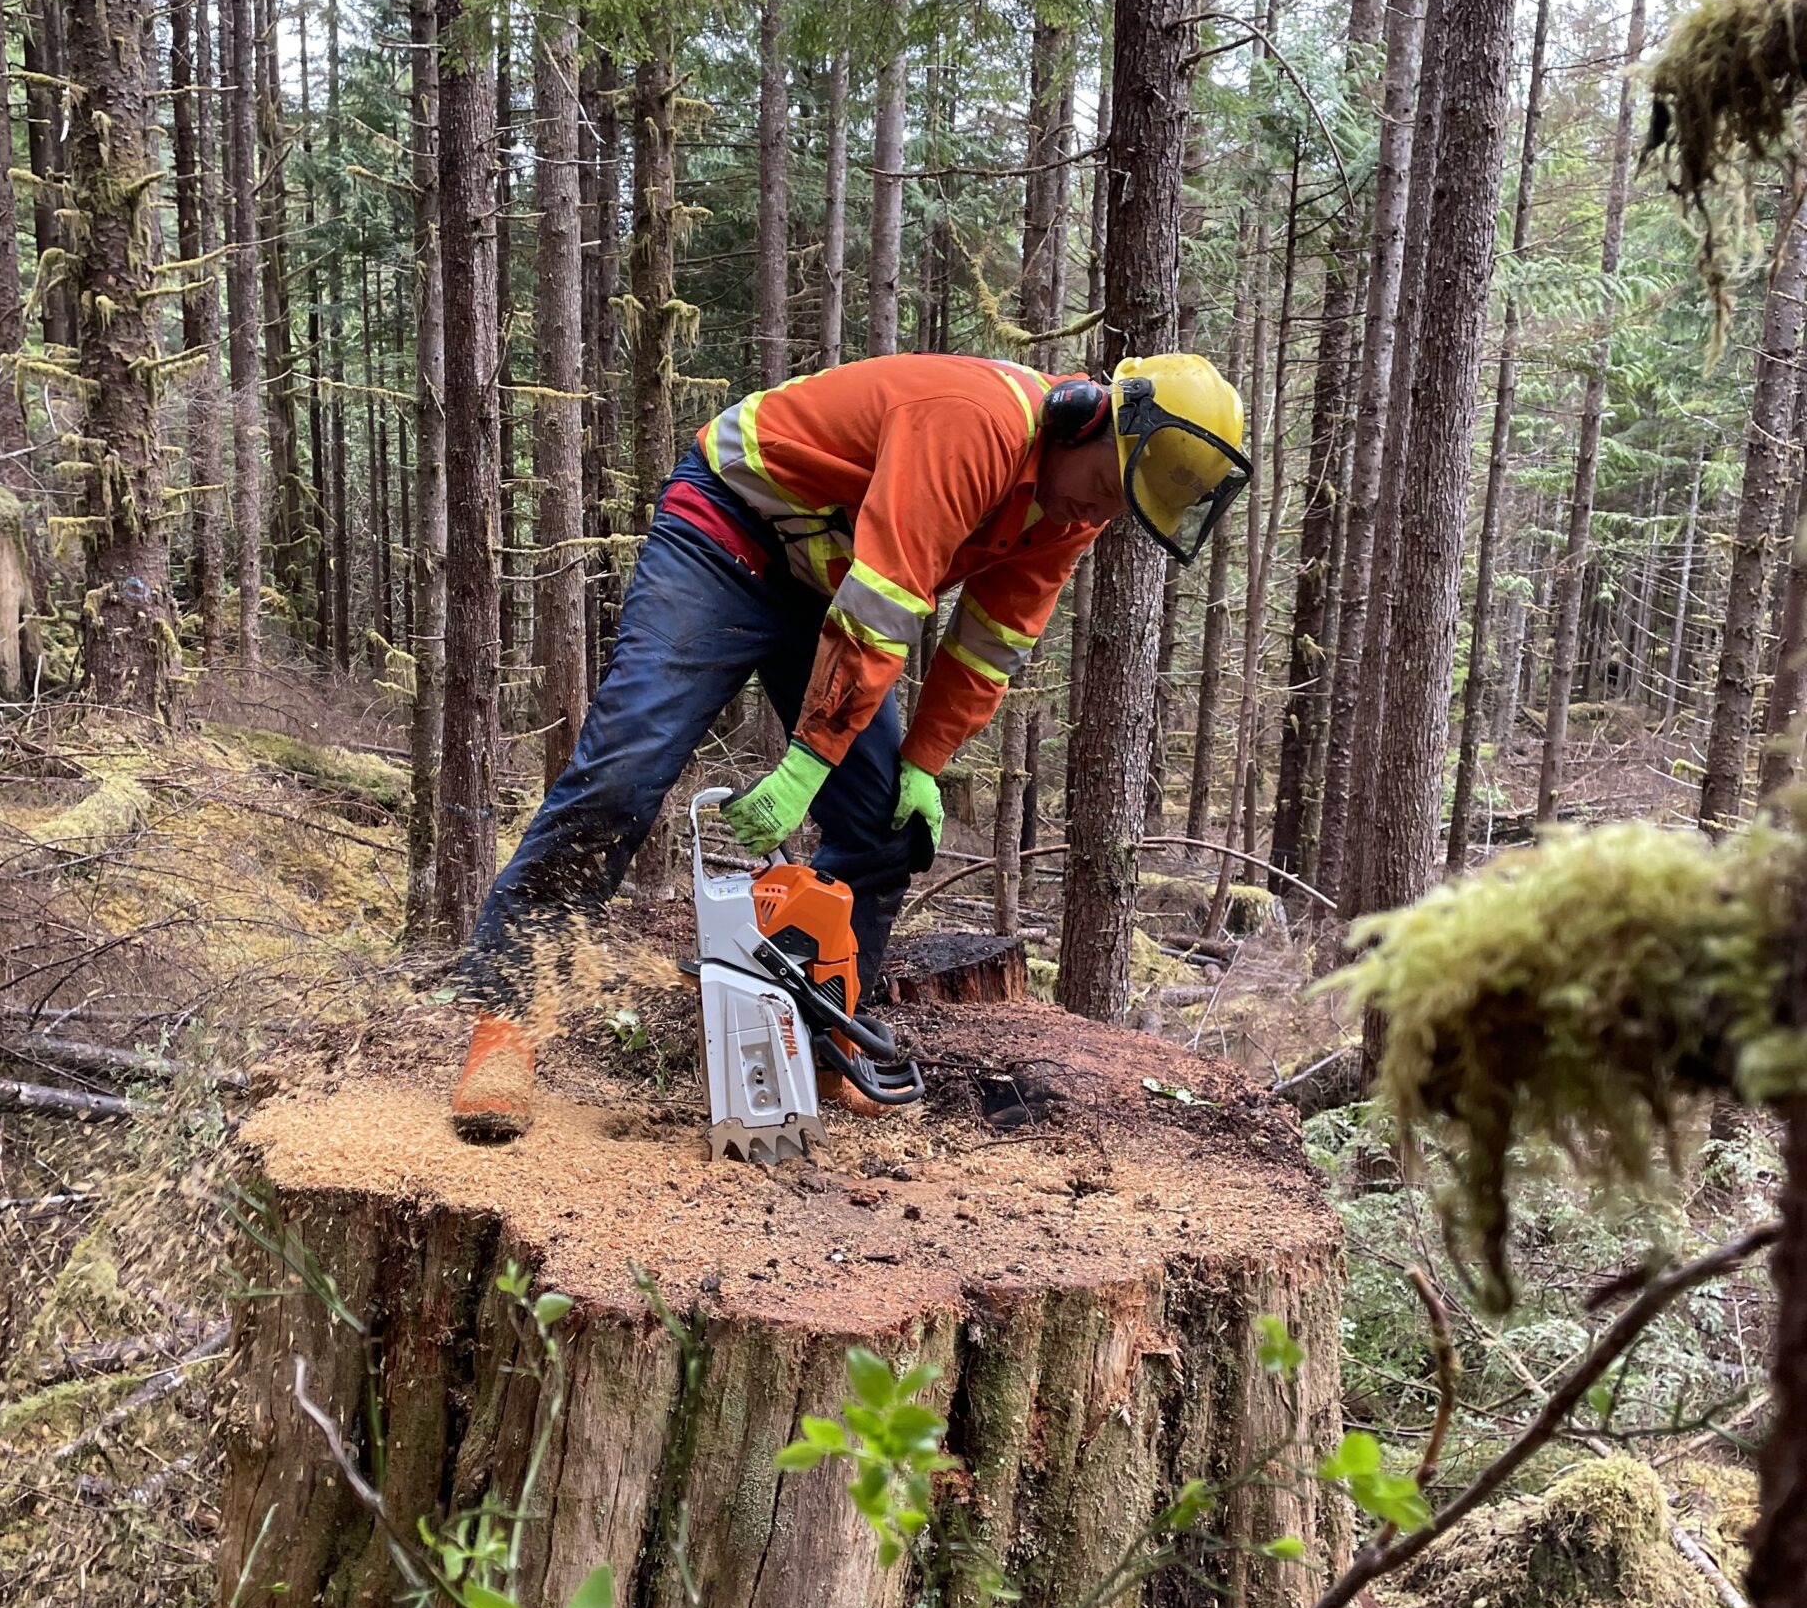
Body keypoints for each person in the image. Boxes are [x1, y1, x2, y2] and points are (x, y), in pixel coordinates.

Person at [449, 348, 1246, 1137]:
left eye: (1116, 509)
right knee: (623, 773)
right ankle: (504, 1024)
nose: (1093, 517)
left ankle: (823, 1035)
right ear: (1090, 420)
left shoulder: (1068, 517)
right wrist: (806, 763)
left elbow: (989, 642)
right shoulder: (975, 422)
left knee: (884, 823)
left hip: (826, 583)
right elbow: (885, 601)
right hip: (730, 528)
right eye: (1103, 489)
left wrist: (925, 763)